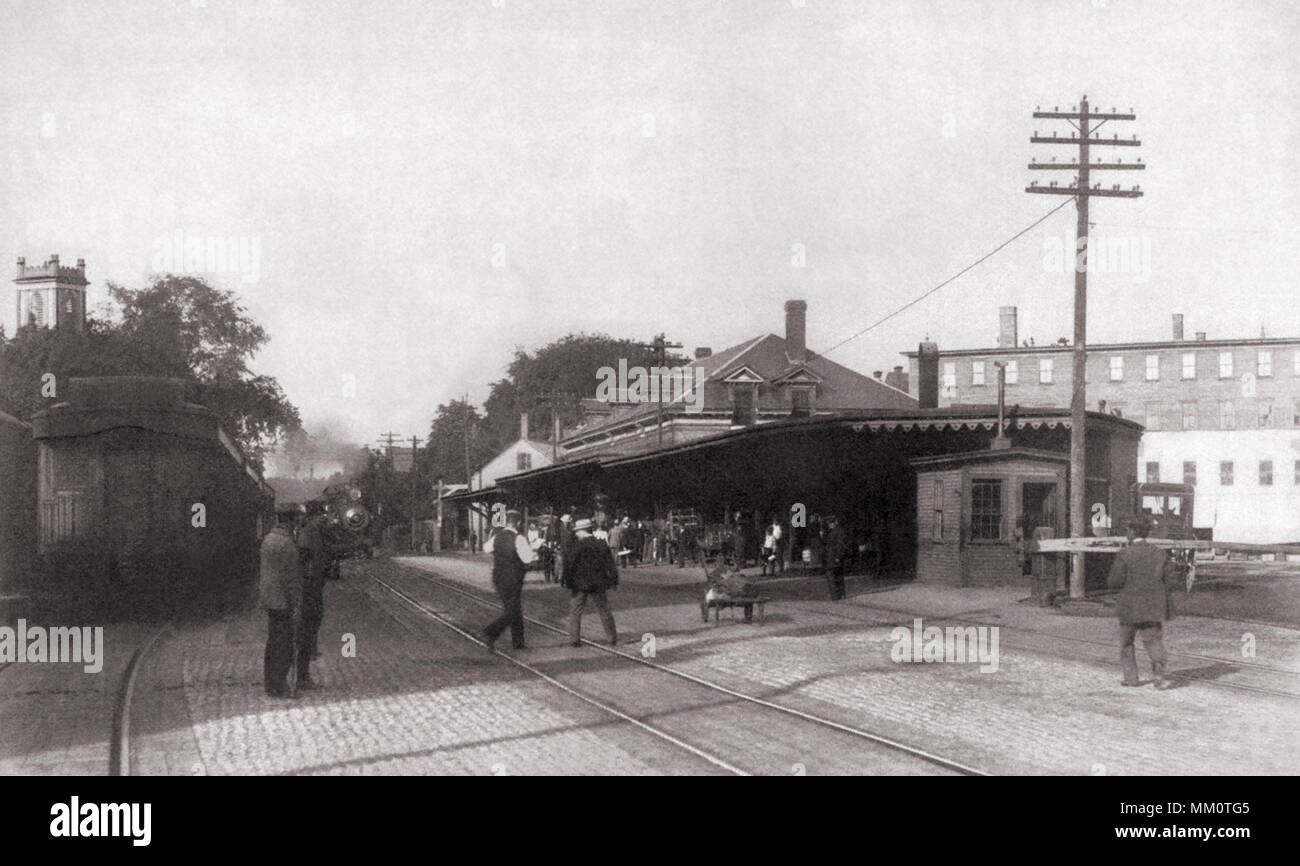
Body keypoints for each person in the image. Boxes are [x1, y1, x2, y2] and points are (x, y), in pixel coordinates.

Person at [1107, 518, 1175, 689]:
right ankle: (1159, 673)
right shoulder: (1160, 554)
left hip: (1129, 607)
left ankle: (1131, 678)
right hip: (1153, 607)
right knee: (1153, 641)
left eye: (1127, 531)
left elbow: (1114, 581)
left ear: (1132, 533)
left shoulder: (1125, 554)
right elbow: (1171, 582)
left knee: (1126, 643)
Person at [259, 504, 303, 698]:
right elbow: (291, 578)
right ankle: (280, 686)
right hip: (282, 600)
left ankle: (270, 683)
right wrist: (296, 603)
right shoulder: (287, 544)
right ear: (291, 521)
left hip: (269, 598)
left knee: (272, 643)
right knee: (284, 645)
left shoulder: (268, 539)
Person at [482, 509, 535, 652]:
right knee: (512, 611)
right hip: (513, 579)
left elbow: (486, 548)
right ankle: (491, 631)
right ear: (518, 523)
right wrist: (535, 552)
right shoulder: (519, 538)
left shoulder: (497, 537)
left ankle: (518, 643)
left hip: (498, 577)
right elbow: (528, 559)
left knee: (514, 609)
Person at [563, 518, 618, 646]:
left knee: (575, 611)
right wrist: (614, 580)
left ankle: (574, 639)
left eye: (577, 531)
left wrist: (567, 581)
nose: (576, 534)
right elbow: (610, 564)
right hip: (598, 583)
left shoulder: (576, 546)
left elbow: (569, 565)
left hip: (580, 584)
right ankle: (611, 637)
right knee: (604, 610)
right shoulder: (601, 544)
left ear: (582, 531)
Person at [295, 500, 332, 688]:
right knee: (305, 631)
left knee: (311, 627)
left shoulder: (316, 532)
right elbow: (303, 561)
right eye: (320, 516)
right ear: (314, 516)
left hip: (314, 587)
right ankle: (301, 677)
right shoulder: (308, 533)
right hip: (308, 589)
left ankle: (303, 673)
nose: (324, 519)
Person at [824, 515, 848, 600]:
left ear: (835, 523)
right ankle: (841, 594)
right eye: (829, 523)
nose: (830, 525)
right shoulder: (837, 531)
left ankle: (835, 595)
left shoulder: (836, 532)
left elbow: (840, 545)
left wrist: (838, 556)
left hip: (833, 557)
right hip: (834, 557)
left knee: (832, 576)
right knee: (838, 575)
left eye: (831, 523)